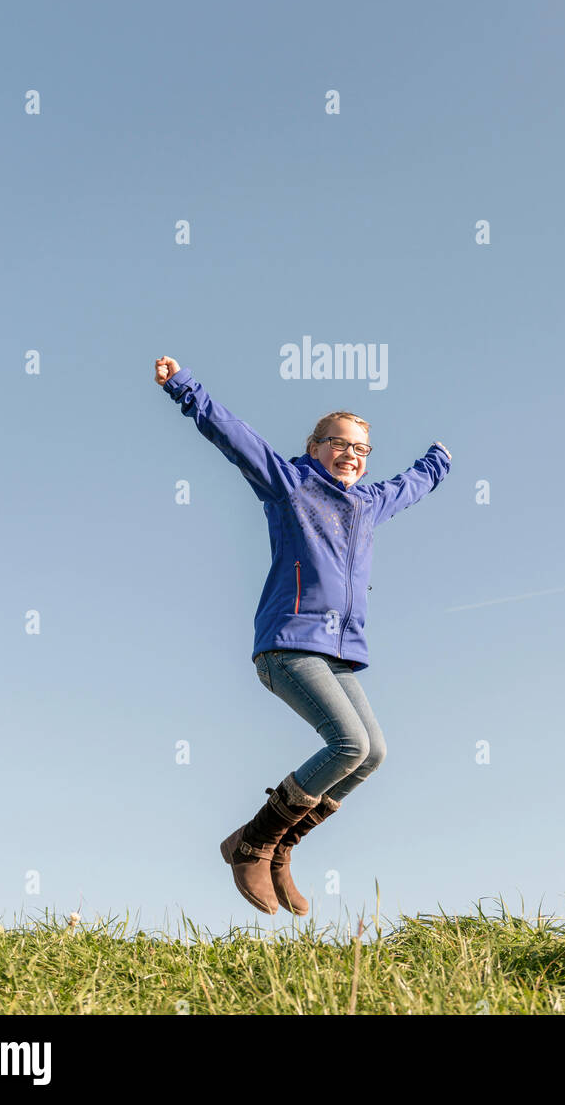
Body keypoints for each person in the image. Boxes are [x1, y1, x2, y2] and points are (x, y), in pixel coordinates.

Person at [155, 354, 452, 916]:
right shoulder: (289, 484)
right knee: (349, 744)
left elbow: (411, 486)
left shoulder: (366, 505)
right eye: (340, 444)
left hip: (340, 655)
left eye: (361, 449)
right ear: (316, 447)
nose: (351, 455)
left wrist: (439, 461)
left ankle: (282, 848)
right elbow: (233, 436)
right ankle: (251, 844)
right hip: (288, 645)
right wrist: (184, 387)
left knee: (372, 755)